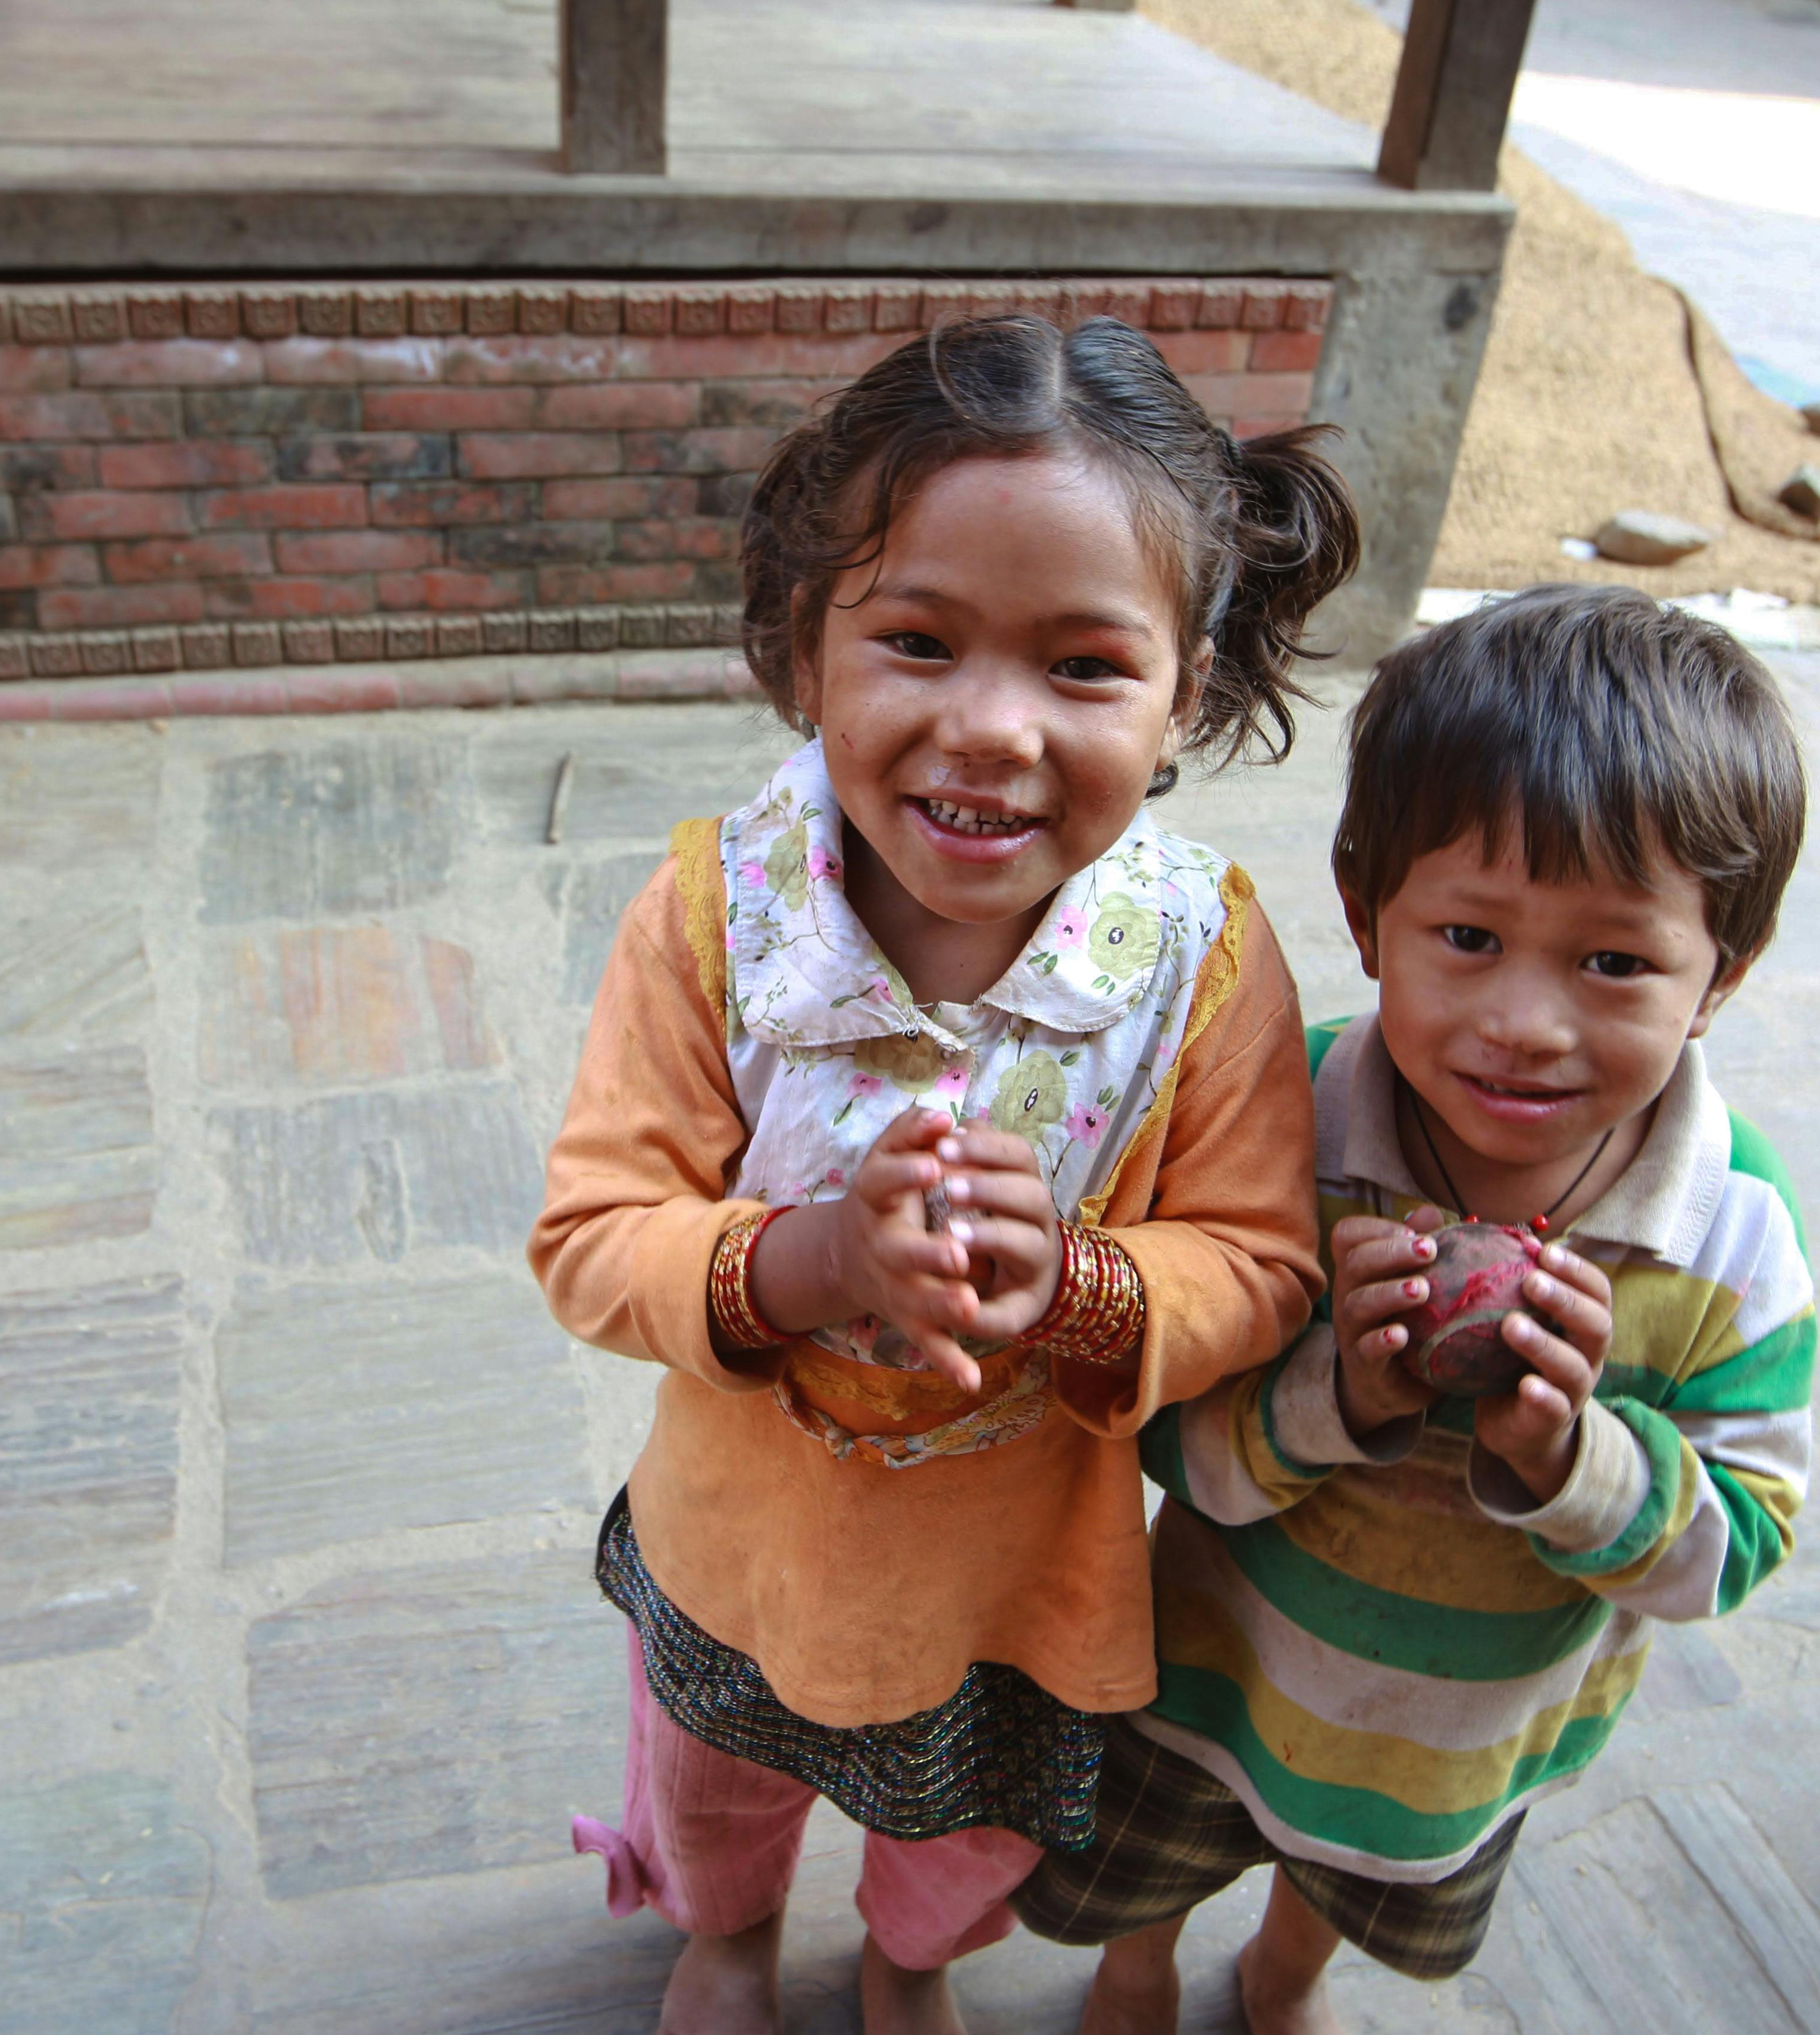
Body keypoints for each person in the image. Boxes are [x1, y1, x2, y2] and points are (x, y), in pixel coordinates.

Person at [527, 312, 1359, 2034]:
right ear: (802, 654)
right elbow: (594, 1235)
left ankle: (903, 1962)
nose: (989, 727)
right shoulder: (716, 918)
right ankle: (731, 1935)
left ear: (1183, 687)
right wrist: (815, 1258)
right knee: (715, 1783)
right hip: (737, 1546)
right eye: (916, 639)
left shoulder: (1198, 959)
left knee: (959, 1841)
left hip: (1010, 1582)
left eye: (1082, 666)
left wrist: (1081, 1282)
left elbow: (1265, 1261)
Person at [1013, 584, 1818, 2034]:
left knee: (1343, 1881)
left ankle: (1282, 1974)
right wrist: (1348, 1394)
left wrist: (1569, 1459)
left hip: (1457, 1732)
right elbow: (1146, 1428)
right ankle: (1134, 1975)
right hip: (1208, 1666)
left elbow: (1726, 1555)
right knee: (1143, 1862)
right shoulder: (1277, 1128)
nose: (1523, 1018)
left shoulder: (1732, 1234)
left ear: (1721, 978)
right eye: (1466, 935)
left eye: (1615, 961)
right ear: (1364, 911)